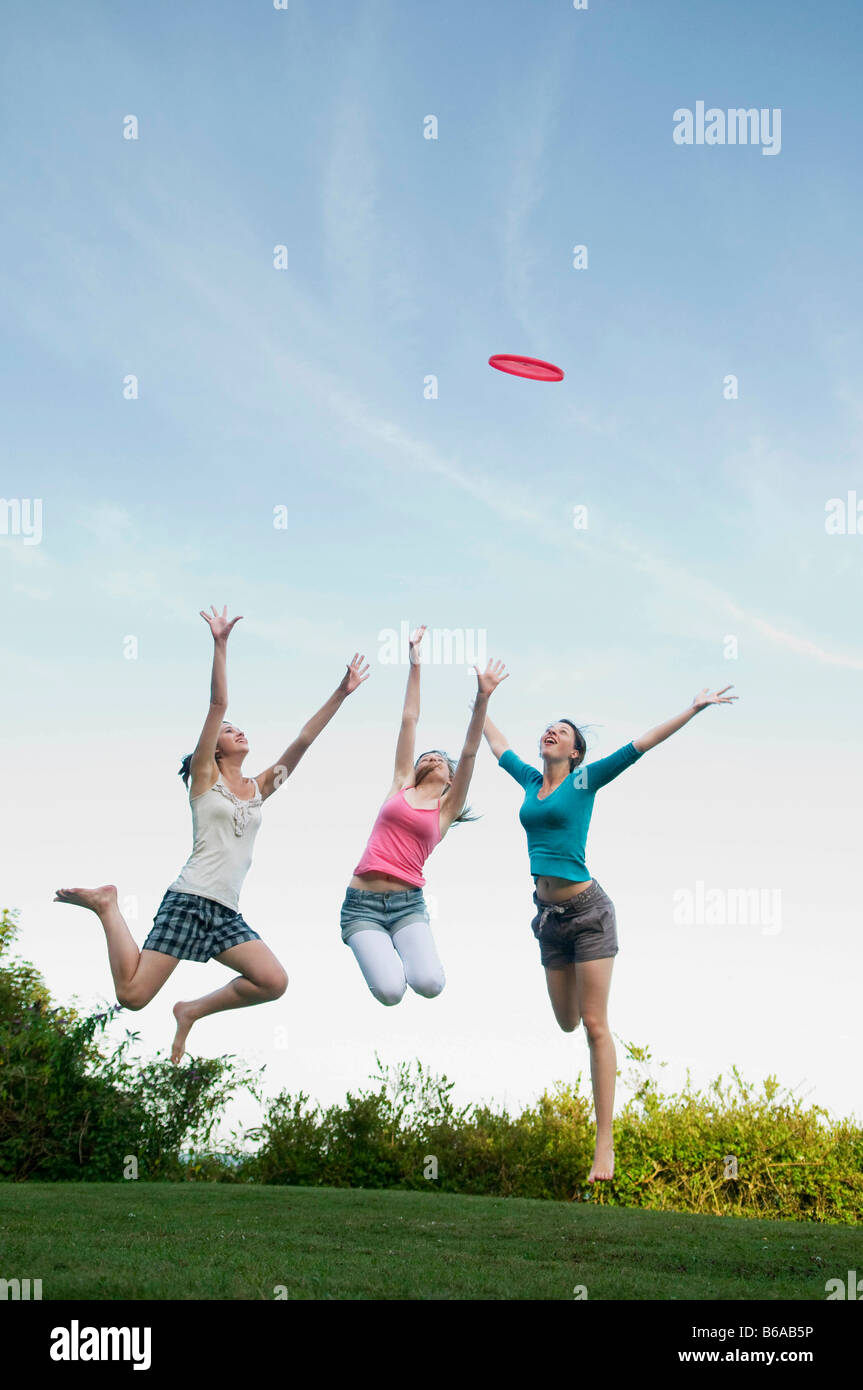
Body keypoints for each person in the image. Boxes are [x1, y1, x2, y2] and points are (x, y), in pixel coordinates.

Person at [55, 605, 369, 1061]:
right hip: (189, 899)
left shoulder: (260, 789)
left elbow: (302, 741)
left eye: (238, 728)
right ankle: (106, 906)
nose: (236, 730)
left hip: (225, 912)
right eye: (228, 731)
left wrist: (341, 693)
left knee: (273, 981)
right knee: (133, 995)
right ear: (214, 749)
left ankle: (191, 1011)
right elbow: (217, 704)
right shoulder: (205, 777)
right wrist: (220, 645)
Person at [482, 686, 738, 1183]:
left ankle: (605, 1145)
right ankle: (599, 1124)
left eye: (564, 731)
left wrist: (692, 707)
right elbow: (495, 745)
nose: (552, 731)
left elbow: (641, 744)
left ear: (575, 751)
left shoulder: (584, 781)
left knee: (595, 1025)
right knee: (565, 1021)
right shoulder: (530, 780)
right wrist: (480, 700)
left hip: (589, 913)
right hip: (548, 920)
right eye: (549, 727)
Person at [341, 625, 508, 1005]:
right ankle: (375, 948)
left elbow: (468, 753)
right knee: (390, 992)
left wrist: (482, 699)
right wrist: (415, 660)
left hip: (408, 905)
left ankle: (401, 947)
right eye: (425, 757)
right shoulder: (402, 785)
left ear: (450, 779)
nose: (431, 757)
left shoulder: (445, 809)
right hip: (361, 902)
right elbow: (409, 719)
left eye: (438, 758)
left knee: (429, 984)